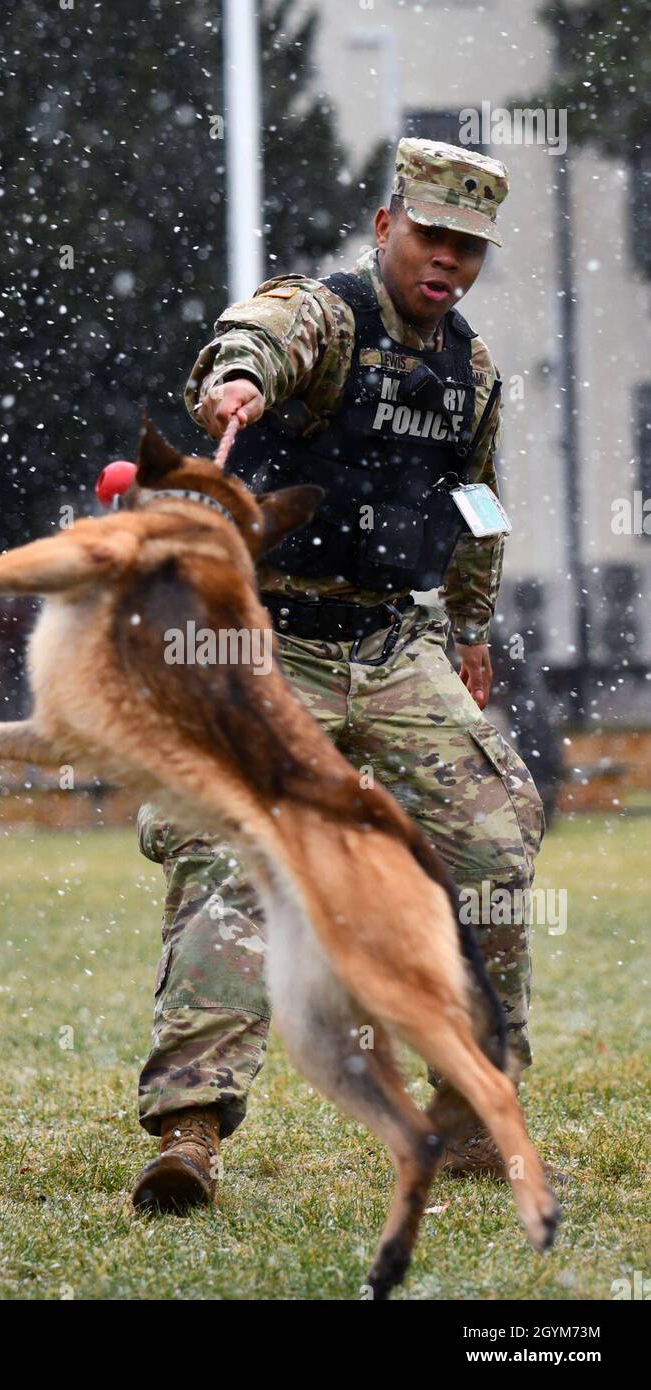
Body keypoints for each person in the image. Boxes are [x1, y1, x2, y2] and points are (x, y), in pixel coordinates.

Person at [132, 137, 546, 1212]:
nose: (446, 261)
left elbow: (476, 504)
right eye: (430, 236)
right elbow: (256, 336)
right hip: (267, 645)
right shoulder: (323, 316)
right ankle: (189, 1130)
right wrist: (233, 382)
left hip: (394, 644)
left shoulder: (472, 371)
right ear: (384, 228)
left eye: (467, 247)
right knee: (236, 860)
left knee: (494, 840)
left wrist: (468, 624)